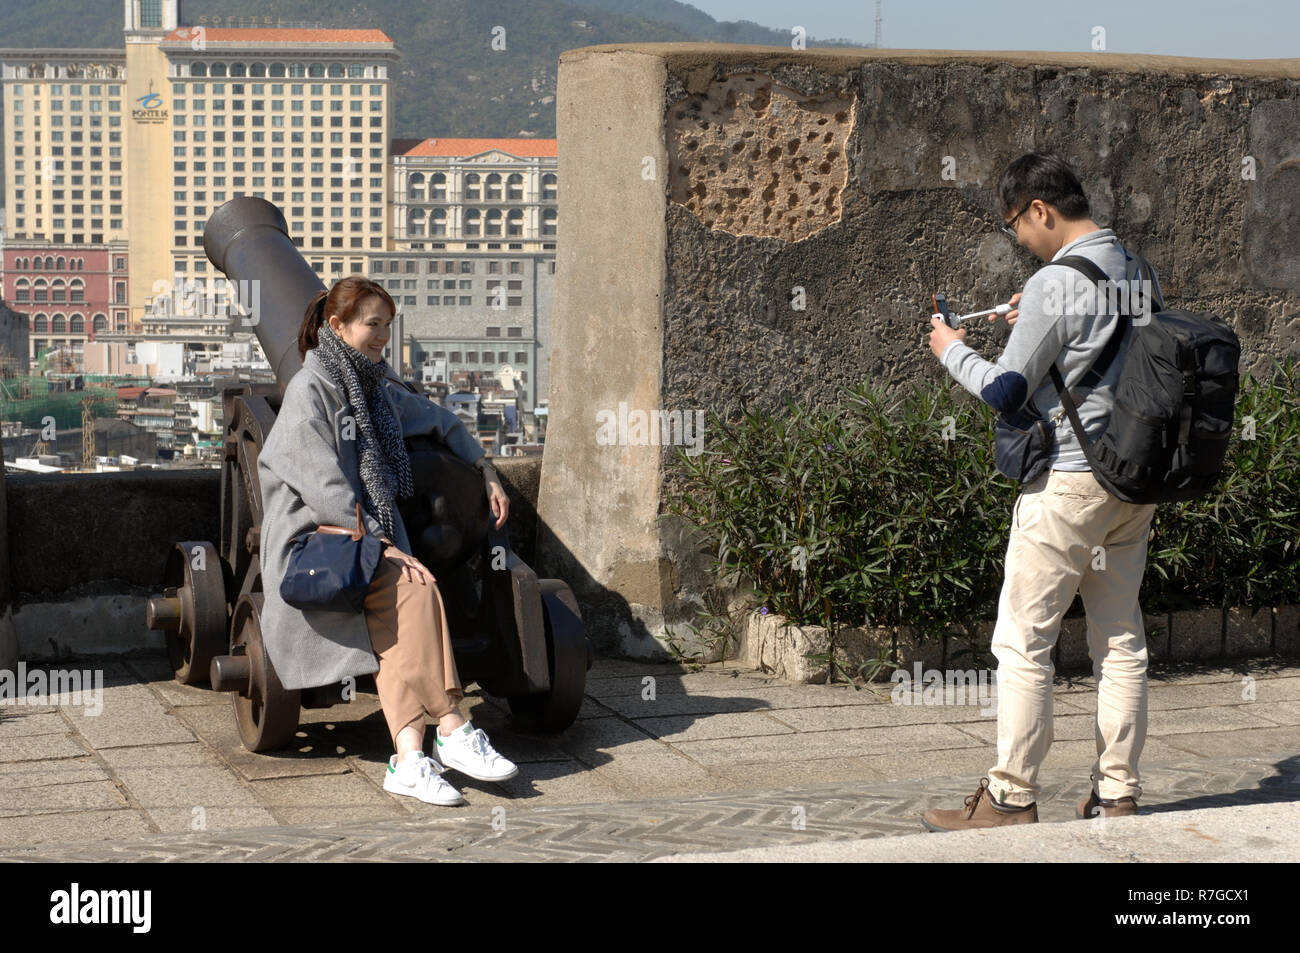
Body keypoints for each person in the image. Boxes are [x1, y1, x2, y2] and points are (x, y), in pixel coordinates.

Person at [920, 152, 1161, 831]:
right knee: (1120, 639)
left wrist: (949, 349)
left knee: (1023, 640)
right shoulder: (1137, 268)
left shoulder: (1057, 283)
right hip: (1132, 482)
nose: (1018, 241)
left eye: (1014, 226)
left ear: (1040, 210)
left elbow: (1005, 390)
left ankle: (1010, 798)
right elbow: (1107, 352)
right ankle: (1117, 792)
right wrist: (1039, 314)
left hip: (1067, 485)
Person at [257, 275, 518, 806]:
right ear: (338, 326)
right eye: (373, 325)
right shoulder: (311, 391)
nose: (382, 337)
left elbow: (440, 421)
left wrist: (484, 467)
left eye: (387, 326)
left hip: (365, 541)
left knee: (414, 595)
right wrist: (385, 543)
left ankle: (410, 757)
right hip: (319, 544)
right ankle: (451, 726)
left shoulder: (373, 390)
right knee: (413, 588)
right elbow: (324, 486)